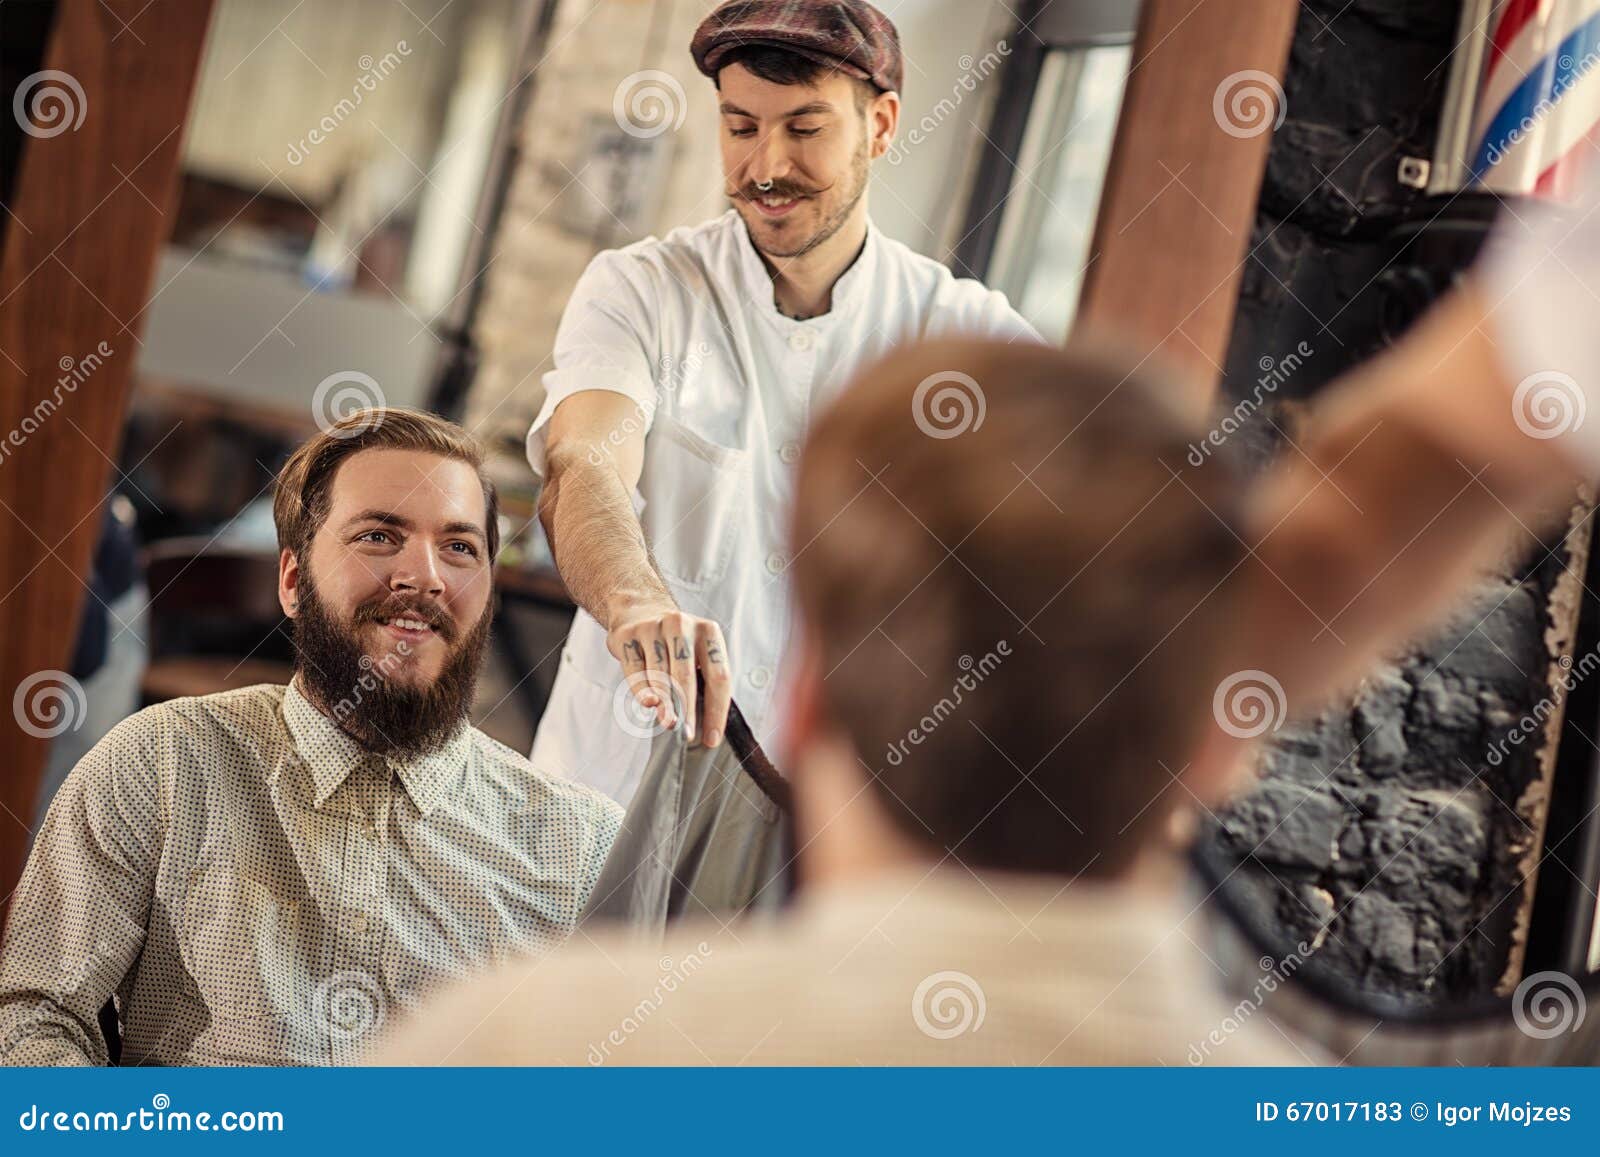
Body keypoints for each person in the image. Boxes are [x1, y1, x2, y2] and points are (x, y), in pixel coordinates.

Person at [375, 174, 1600, 1065]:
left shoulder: (511, 1051)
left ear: (799, 702)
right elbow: (1420, 468)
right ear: (1226, 740)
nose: (765, 160)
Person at [528, 0, 1040, 807]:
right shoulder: (643, 290)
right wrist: (635, 604)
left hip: (823, 825)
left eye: (805, 129)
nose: (766, 164)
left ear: (880, 125)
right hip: (603, 796)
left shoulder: (966, 340)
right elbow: (585, 463)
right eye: (741, 127)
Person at [0, 409, 621, 1066]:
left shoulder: (580, 847)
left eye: (460, 547)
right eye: (380, 535)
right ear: (294, 581)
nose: (426, 574)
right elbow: (34, 1015)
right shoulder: (162, 762)